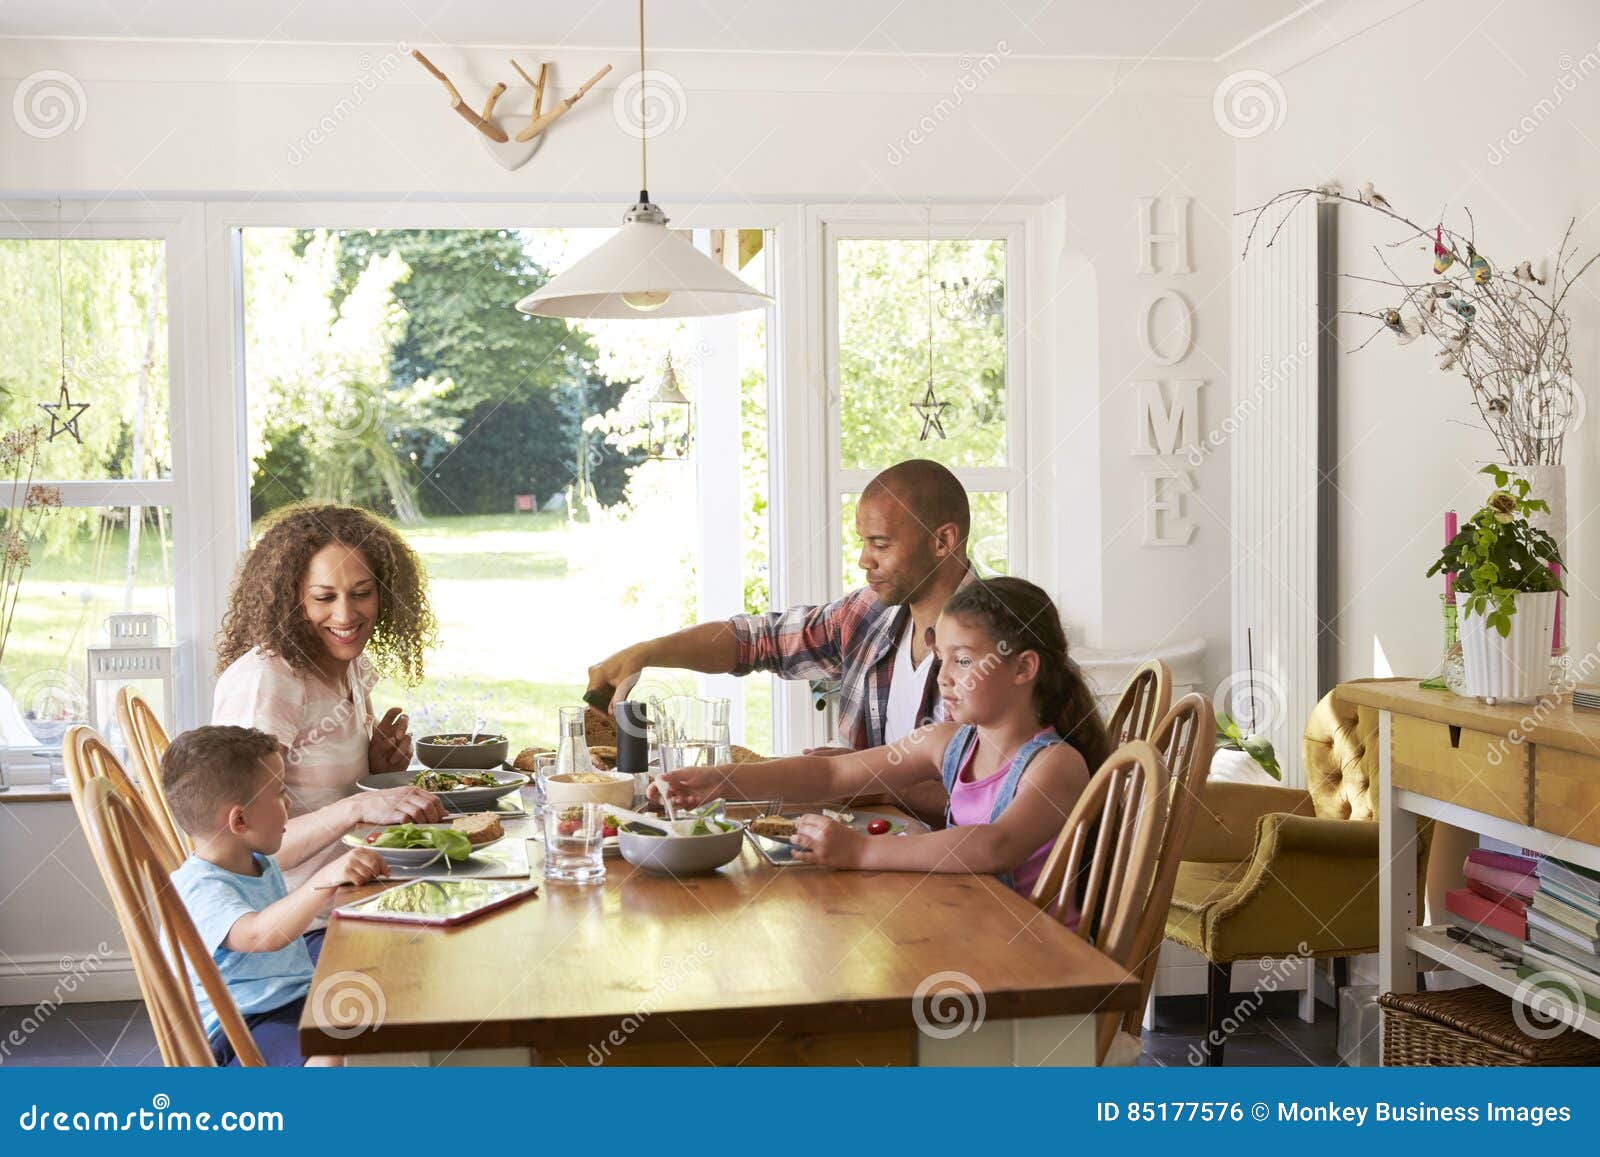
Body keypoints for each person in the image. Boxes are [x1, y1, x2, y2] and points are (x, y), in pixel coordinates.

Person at [657, 576, 1109, 897]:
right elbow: (833, 775)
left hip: (1042, 965)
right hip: (974, 925)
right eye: (941, 659)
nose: (944, 677)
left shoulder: (1056, 764)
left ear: (1024, 667)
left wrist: (861, 851)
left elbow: (995, 846)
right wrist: (721, 780)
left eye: (964, 661)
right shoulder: (949, 743)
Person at [588, 460, 977, 815]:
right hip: (862, 842)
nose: (864, 559)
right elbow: (756, 641)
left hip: (948, 862)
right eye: (863, 541)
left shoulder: (994, 645)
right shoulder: (869, 614)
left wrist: (870, 781)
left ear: (942, 541)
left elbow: (986, 797)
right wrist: (648, 652)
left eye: (880, 544)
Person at [212, 503, 443, 888]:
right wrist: (358, 805)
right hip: (298, 915)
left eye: (362, 593)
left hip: (361, 888)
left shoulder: (350, 666)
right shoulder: (268, 680)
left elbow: (326, 798)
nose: (346, 615)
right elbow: (239, 850)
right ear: (291, 599)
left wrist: (373, 772)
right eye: (324, 598)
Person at [163, 725, 388, 1067]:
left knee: (378, 994)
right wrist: (324, 880)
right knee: (333, 1044)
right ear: (240, 820)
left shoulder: (257, 861)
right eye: (280, 793)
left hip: (291, 1000)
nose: (289, 802)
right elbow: (259, 934)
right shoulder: (199, 888)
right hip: (241, 1030)